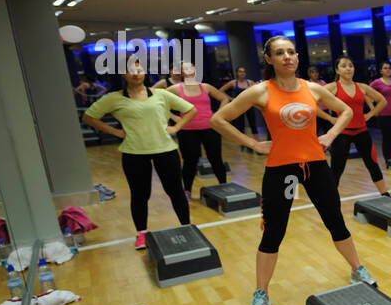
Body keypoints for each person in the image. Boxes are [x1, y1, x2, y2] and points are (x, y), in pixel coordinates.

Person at [209, 36, 379, 305]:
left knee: (334, 219)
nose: (287, 57)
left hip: (315, 165)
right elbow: (218, 120)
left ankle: (357, 269)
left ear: (297, 57)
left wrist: (330, 135)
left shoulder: (312, 89)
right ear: (269, 59)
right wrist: (253, 144)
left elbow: (347, 111)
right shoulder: (260, 91)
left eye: (291, 52)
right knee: (274, 231)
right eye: (279, 53)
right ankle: (261, 292)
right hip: (281, 169)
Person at [81, 59, 195, 249]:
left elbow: (191, 109)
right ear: (124, 74)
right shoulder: (114, 98)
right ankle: (141, 233)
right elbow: (88, 117)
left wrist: (177, 127)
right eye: (130, 71)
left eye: (139, 69)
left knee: (175, 191)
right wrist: (115, 132)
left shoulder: (161, 94)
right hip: (134, 153)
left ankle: (187, 226)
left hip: (165, 150)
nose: (135, 73)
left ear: (144, 72)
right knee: (140, 195)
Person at [319, 54, 389, 192]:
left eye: (350, 66)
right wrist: (330, 118)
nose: (348, 69)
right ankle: (332, 201)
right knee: (337, 169)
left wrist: (369, 114)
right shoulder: (332, 87)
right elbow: (311, 103)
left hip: (362, 131)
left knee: (373, 164)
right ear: (337, 70)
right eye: (344, 66)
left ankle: (385, 194)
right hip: (342, 133)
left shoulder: (361, 87)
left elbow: (382, 101)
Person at [170, 61, 231, 198]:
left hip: (209, 128)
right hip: (187, 130)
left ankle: (224, 185)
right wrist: (173, 117)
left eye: (191, 66)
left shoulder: (205, 87)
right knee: (190, 162)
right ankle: (187, 191)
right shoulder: (176, 89)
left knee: (216, 159)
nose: (189, 69)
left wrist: (217, 115)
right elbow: (158, 101)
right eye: (185, 67)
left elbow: (224, 99)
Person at [219, 66, 261, 151]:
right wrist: (231, 99)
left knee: (253, 125)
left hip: (249, 106)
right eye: (240, 72)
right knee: (240, 126)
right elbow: (220, 91)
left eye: (243, 72)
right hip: (238, 107)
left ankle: (258, 144)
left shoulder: (250, 82)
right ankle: (244, 144)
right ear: (237, 73)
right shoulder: (234, 83)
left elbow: (257, 91)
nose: (242, 73)